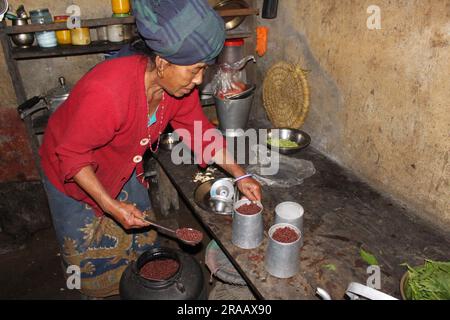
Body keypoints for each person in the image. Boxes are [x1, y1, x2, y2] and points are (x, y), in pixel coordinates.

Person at [39, 0, 262, 298]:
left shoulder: (176, 90)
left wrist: (239, 175)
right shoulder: (108, 92)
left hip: (121, 164)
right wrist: (109, 204)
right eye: (194, 70)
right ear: (161, 62)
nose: (198, 81)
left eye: (204, 70)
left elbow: (198, 130)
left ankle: (136, 284)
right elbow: (72, 155)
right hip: (72, 173)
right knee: (93, 258)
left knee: (142, 242)